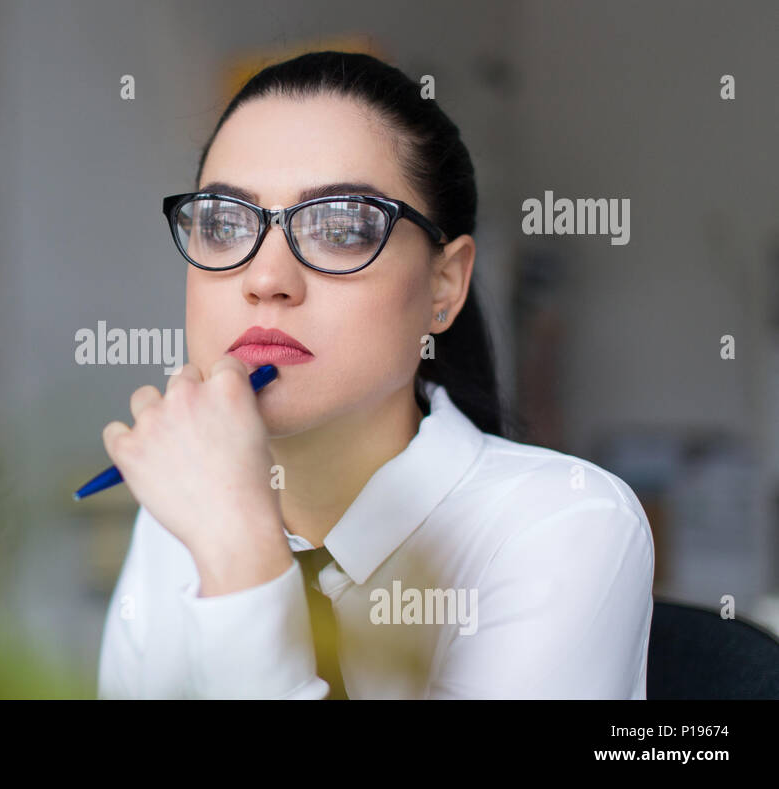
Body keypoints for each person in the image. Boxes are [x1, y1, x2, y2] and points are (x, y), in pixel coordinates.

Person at [95, 50, 655, 699]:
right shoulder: (178, 518)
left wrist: (241, 559)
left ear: (444, 284)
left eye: (341, 227)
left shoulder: (567, 523)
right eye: (223, 223)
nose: (266, 278)